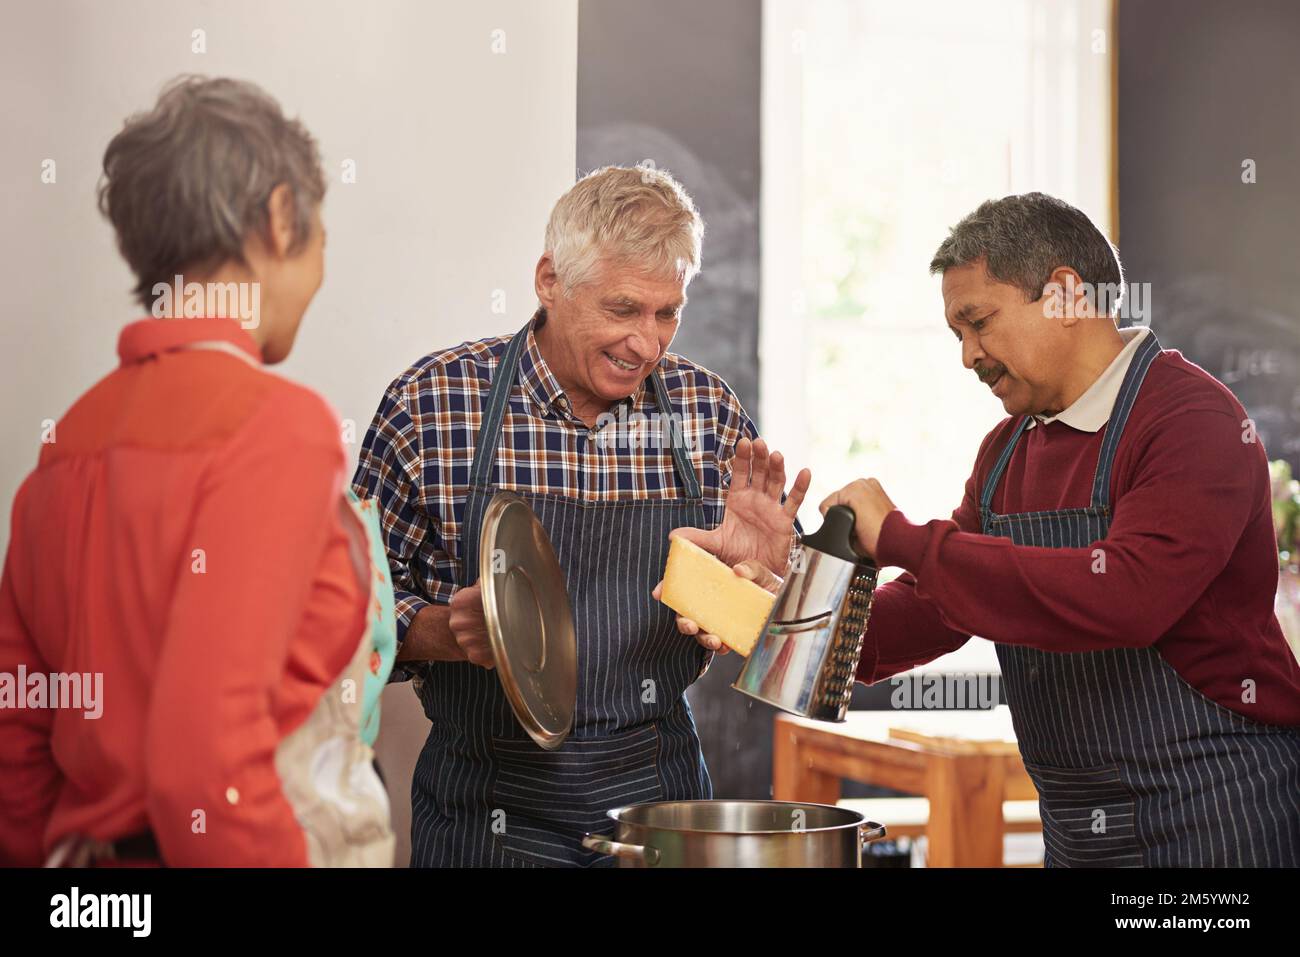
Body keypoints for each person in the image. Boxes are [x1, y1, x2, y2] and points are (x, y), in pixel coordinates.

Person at [673, 193, 1300, 867]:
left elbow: (1128, 597)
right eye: (957, 334)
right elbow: (912, 620)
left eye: (979, 322)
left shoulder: (1189, 419)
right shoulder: (1006, 452)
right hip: (1080, 832)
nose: (969, 356)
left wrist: (903, 538)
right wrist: (787, 588)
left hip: (1220, 819)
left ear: (1062, 294)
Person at [353, 165, 807, 867]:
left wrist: (770, 588)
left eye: (668, 313)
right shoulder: (432, 405)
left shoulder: (705, 412)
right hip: (487, 815)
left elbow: (802, 662)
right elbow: (350, 623)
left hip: (659, 813)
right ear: (548, 280)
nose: (648, 345)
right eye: (623, 309)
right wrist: (448, 631)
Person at [0, 76, 395, 867]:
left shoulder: (66, 445)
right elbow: (201, 759)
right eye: (321, 236)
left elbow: (19, 730)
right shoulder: (279, 427)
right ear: (282, 217)